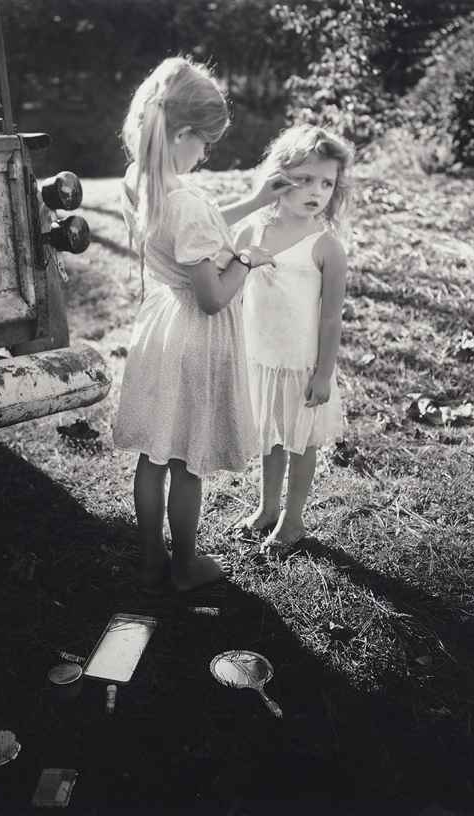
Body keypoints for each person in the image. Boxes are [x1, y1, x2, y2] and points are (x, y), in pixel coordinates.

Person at [114, 56, 292, 592]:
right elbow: (213, 297)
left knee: (153, 455)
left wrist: (257, 200)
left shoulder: (139, 179)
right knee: (188, 460)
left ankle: (150, 560)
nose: (206, 153)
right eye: (205, 142)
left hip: (161, 326)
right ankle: (186, 568)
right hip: (195, 332)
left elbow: (197, 231)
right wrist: (247, 259)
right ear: (184, 133)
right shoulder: (186, 198)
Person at [234, 124, 352, 554]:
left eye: (327, 183)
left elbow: (330, 319)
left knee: (301, 441)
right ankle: (267, 507)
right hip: (263, 357)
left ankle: (293, 518)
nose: (316, 191)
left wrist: (324, 372)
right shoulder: (254, 232)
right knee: (271, 436)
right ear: (278, 176)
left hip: (304, 363)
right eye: (305, 179)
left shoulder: (326, 247)